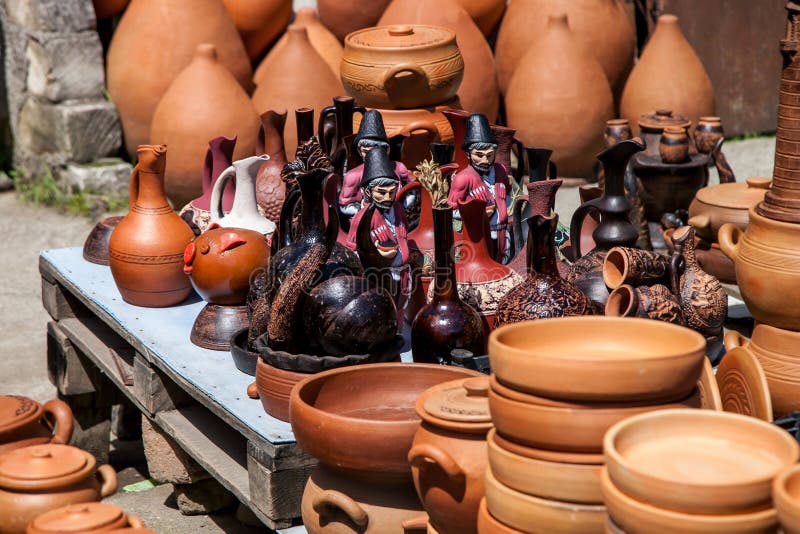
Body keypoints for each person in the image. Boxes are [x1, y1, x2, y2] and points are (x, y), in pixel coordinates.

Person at [448, 112, 512, 262]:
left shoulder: (500, 170)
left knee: (505, 265)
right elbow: (451, 210)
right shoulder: (462, 179)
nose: (485, 160)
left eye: (490, 155)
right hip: (479, 236)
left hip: (503, 231)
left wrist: (506, 207)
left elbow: (508, 193)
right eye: (479, 155)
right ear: (468, 154)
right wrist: (475, 212)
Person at [339, 110, 410, 220]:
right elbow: (344, 205)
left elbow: (413, 190)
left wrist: (402, 205)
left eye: (379, 151)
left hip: (397, 218)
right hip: (368, 222)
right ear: (359, 151)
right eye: (367, 152)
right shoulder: (353, 176)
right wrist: (364, 212)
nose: (374, 156)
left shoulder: (399, 168)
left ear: (387, 150)